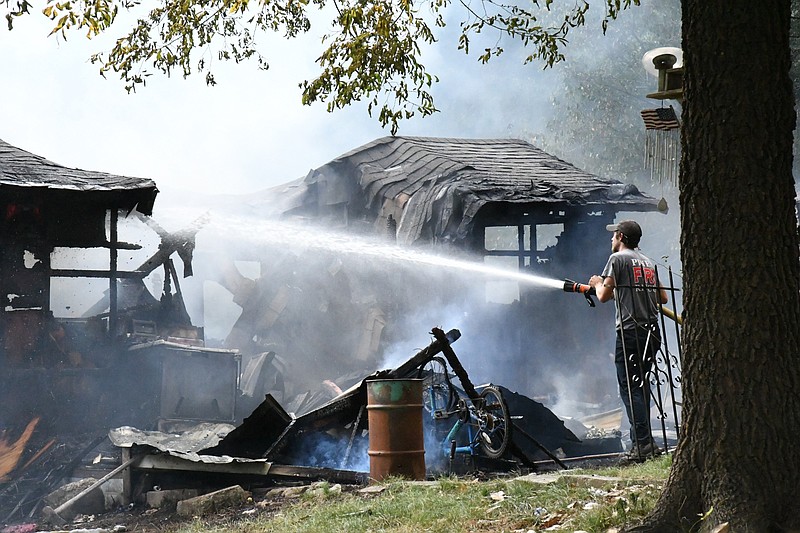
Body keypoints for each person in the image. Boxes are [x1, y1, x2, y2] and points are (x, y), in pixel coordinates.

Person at [588, 220, 668, 462]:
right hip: (652, 333)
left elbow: (603, 296)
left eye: (613, 236)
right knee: (641, 386)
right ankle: (645, 442)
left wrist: (596, 283)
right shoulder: (647, 262)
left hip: (630, 332)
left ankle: (642, 444)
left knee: (630, 389)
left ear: (621, 236)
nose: (611, 240)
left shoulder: (617, 260)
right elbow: (662, 297)